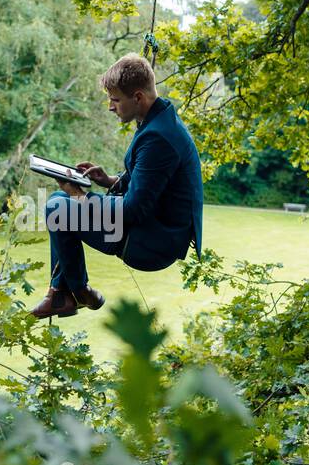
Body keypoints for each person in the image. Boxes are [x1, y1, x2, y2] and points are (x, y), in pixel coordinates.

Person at [31, 53, 204, 319]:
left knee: (58, 207)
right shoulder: (158, 120)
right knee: (57, 198)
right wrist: (110, 180)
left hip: (152, 242)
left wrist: (80, 196)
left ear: (137, 97)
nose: (111, 107)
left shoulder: (159, 137)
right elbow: (150, 180)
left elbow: (133, 210)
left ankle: (73, 292)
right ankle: (63, 294)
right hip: (150, 227)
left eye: (115, 99)